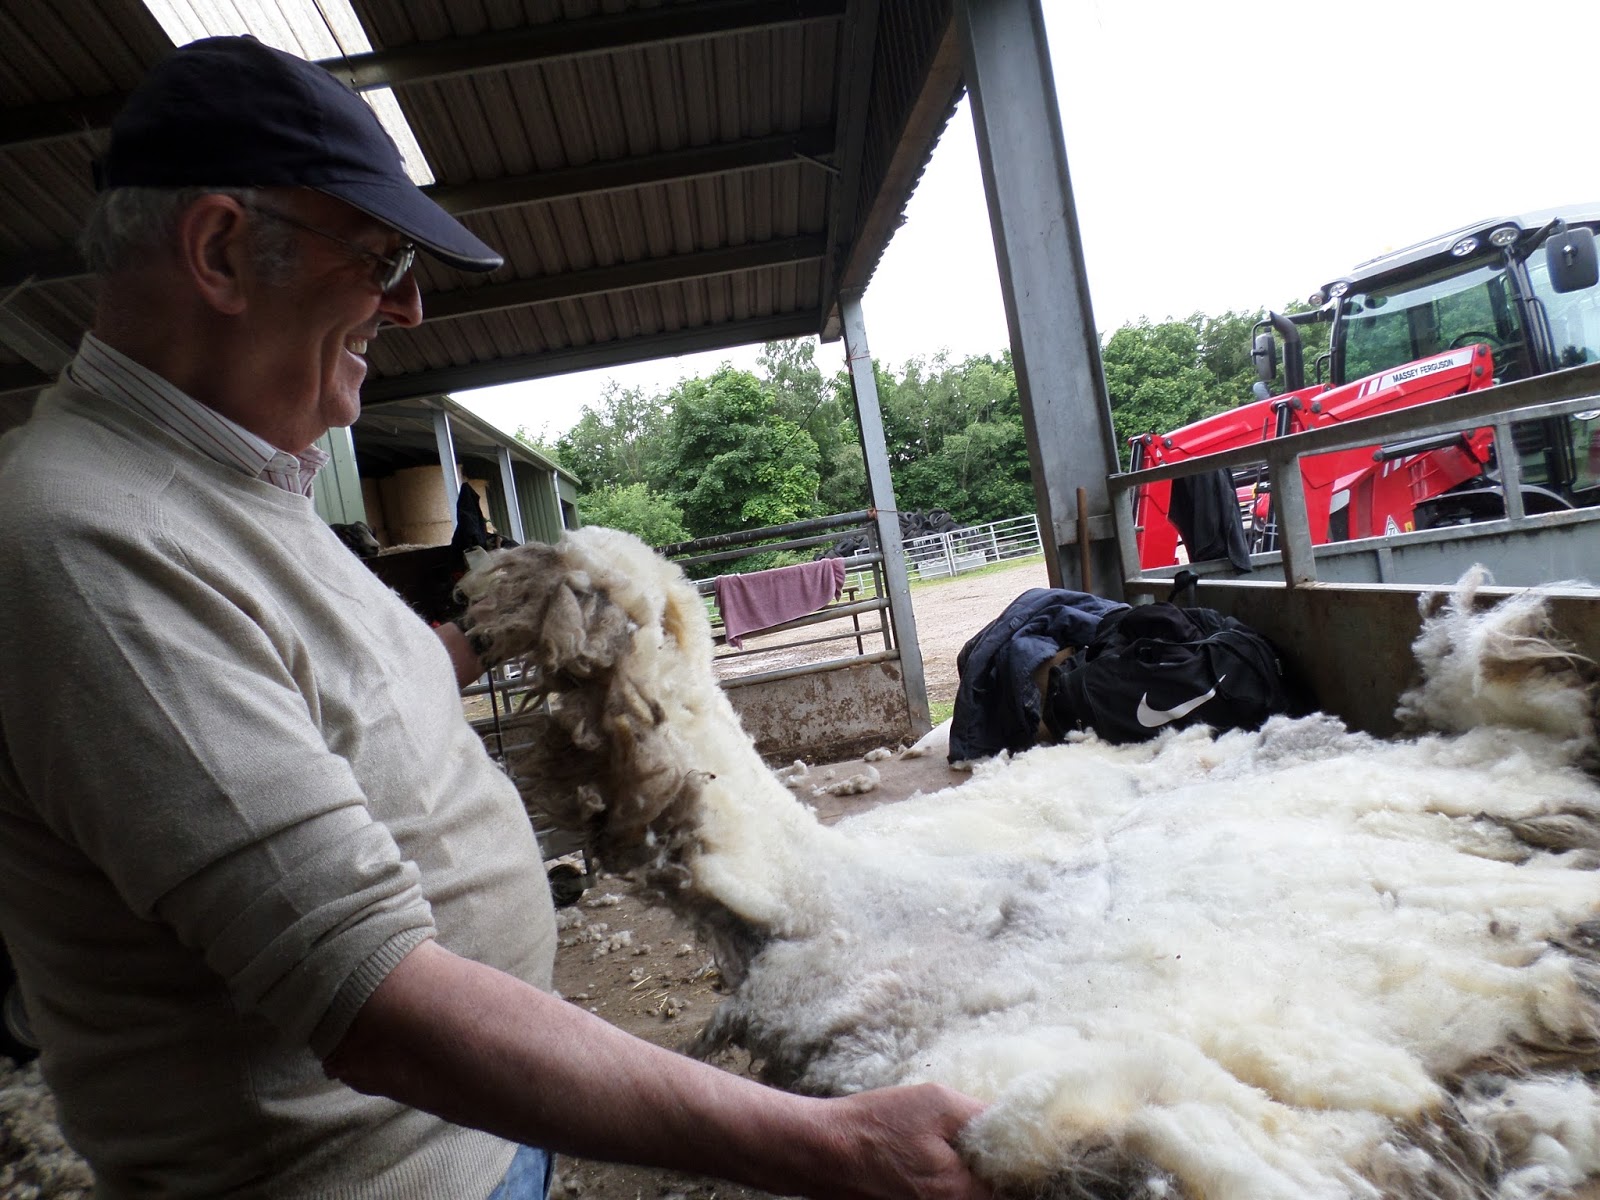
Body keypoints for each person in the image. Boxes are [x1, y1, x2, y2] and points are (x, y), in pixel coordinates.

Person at [0, 36, 990, 1200]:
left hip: (461, 1138)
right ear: (221, 249)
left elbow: (331, 700)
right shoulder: (91, 543)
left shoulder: (231, 486)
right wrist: (827, 1142)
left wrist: (544, 625)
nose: (412, 308)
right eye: (380, 260)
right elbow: (372, 1003)